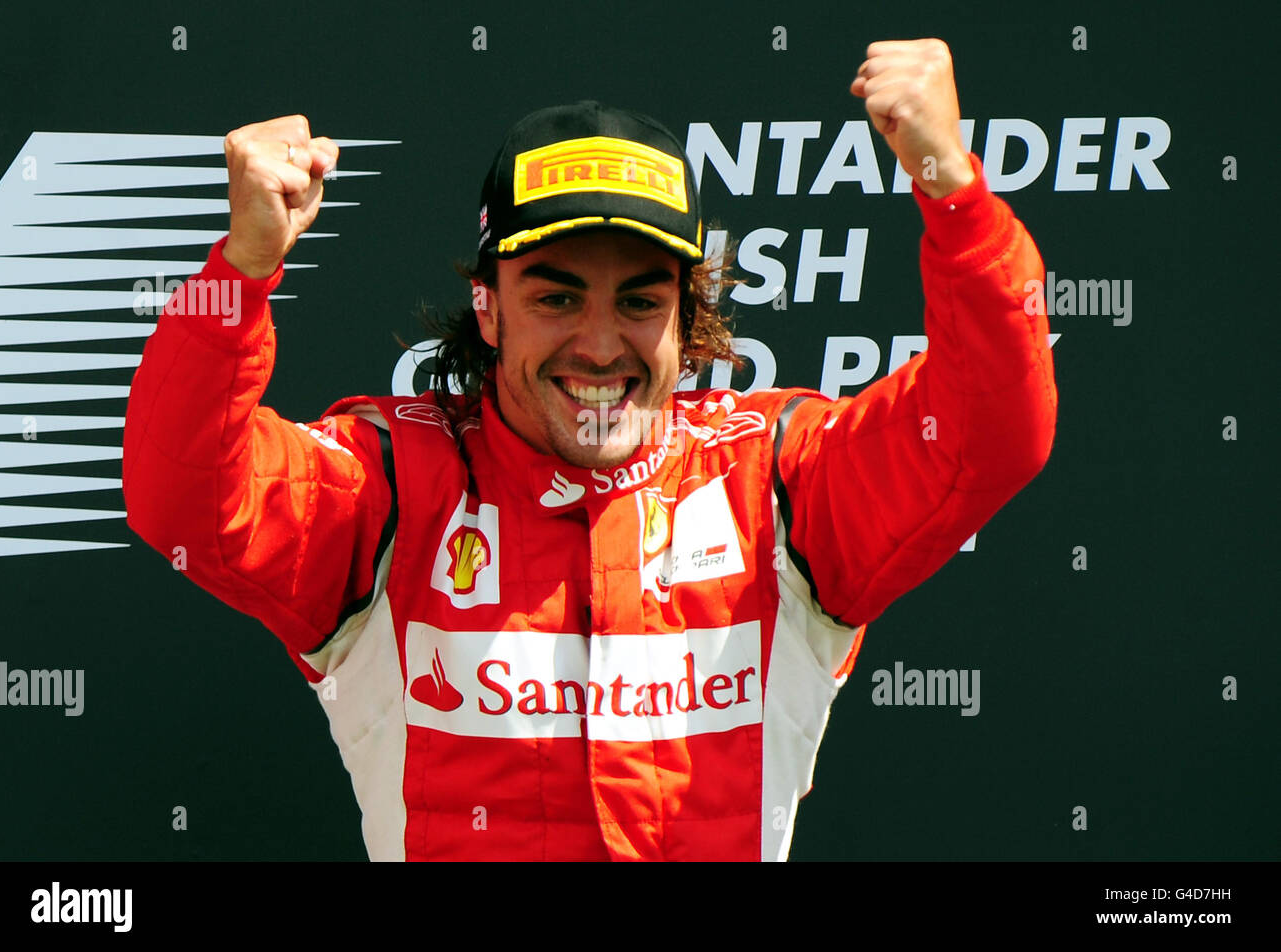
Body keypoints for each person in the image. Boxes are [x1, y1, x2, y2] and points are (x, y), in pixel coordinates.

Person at [122, 38, 1057, 861]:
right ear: (487, 307)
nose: (601, 345)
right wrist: (243, 269)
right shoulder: (390, 487)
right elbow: (187, 504)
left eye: (641, 301)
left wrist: (953, 188)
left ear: (689, 320)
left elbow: (991, 434)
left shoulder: (777, 481)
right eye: (556, 297)